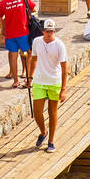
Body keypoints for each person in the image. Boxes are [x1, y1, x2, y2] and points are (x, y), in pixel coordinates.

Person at [30, 19, 68, 151]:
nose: (49, 33)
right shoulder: (36, 42)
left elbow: (64, 69)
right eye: (47, 31)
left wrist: (63, 90)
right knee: (37, 112)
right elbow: (33, 59)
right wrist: (30, 77)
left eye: (52, 31)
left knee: (53, 112)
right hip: (39, 81)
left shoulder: (59, 45)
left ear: (54, 31)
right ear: (43, 31)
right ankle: (43, 132)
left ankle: (51, 141)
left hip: (54, 82)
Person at [0, 0, 34, 88]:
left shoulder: (3, 2)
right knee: (28, 53)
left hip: (10, 34)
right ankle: (28, 78)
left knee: (13, 55)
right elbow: (33, 8)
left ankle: (15, 80)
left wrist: (2, 29)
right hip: (23, 31)